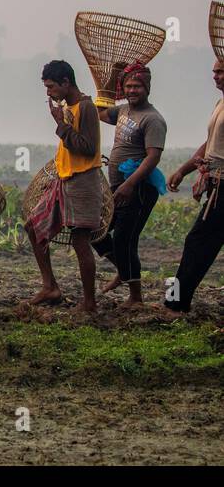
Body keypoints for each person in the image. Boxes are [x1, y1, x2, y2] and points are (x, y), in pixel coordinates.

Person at [24, 60, 104, 312]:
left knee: (81, 242)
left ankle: (89, 303)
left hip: (83, 182)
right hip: (65, 179)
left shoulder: (86, 107)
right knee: (33, 228)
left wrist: (61, 125)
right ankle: (50, 286)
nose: (48, 93)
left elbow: (88, 147)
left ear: (66, 83)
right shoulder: (70, 107)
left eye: (51, 87)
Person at [91, 62, 166, 305]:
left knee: (125, 240)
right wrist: (112, 77)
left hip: (138, 189)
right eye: (129, 86)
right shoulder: (123, 111)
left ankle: (136, 297)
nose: (133, 90)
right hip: (118, 187)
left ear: (148, 88)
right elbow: (100, 112)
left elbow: (153, 156)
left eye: (137, 86)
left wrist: (130, 184)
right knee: (95, 231)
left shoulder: (153, 119)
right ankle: (124, 272)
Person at [164, 56, 224, 314]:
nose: (215, 76)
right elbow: (208, 143)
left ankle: (175, 302)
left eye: (220, 72)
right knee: (201, 242)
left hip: (223, 186)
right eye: (214, 71)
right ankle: (176, 300)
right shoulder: (220, 103)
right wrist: (183, 170)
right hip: (215, 183)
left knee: (198, 241)